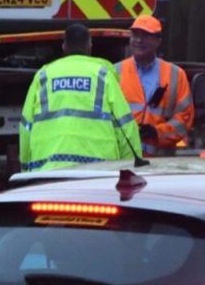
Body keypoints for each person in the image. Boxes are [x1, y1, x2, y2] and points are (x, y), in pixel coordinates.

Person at [20, 23, 142, 172]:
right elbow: (126, 126)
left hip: (48, 170)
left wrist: (26, 169)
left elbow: (26, 126)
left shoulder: (43, 76)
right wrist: (131, 168)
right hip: (97, 172)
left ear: (64, 46)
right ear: (90, 46)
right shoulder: (103, 76)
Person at [117, 14, 194, 151]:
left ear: (158, 40)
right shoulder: (115, 71)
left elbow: (184, 118)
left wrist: (157, 132)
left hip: (160, 163)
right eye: (135, 35)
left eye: (146, 35)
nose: (139, 40)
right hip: (124, 157)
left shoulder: (176, 75)